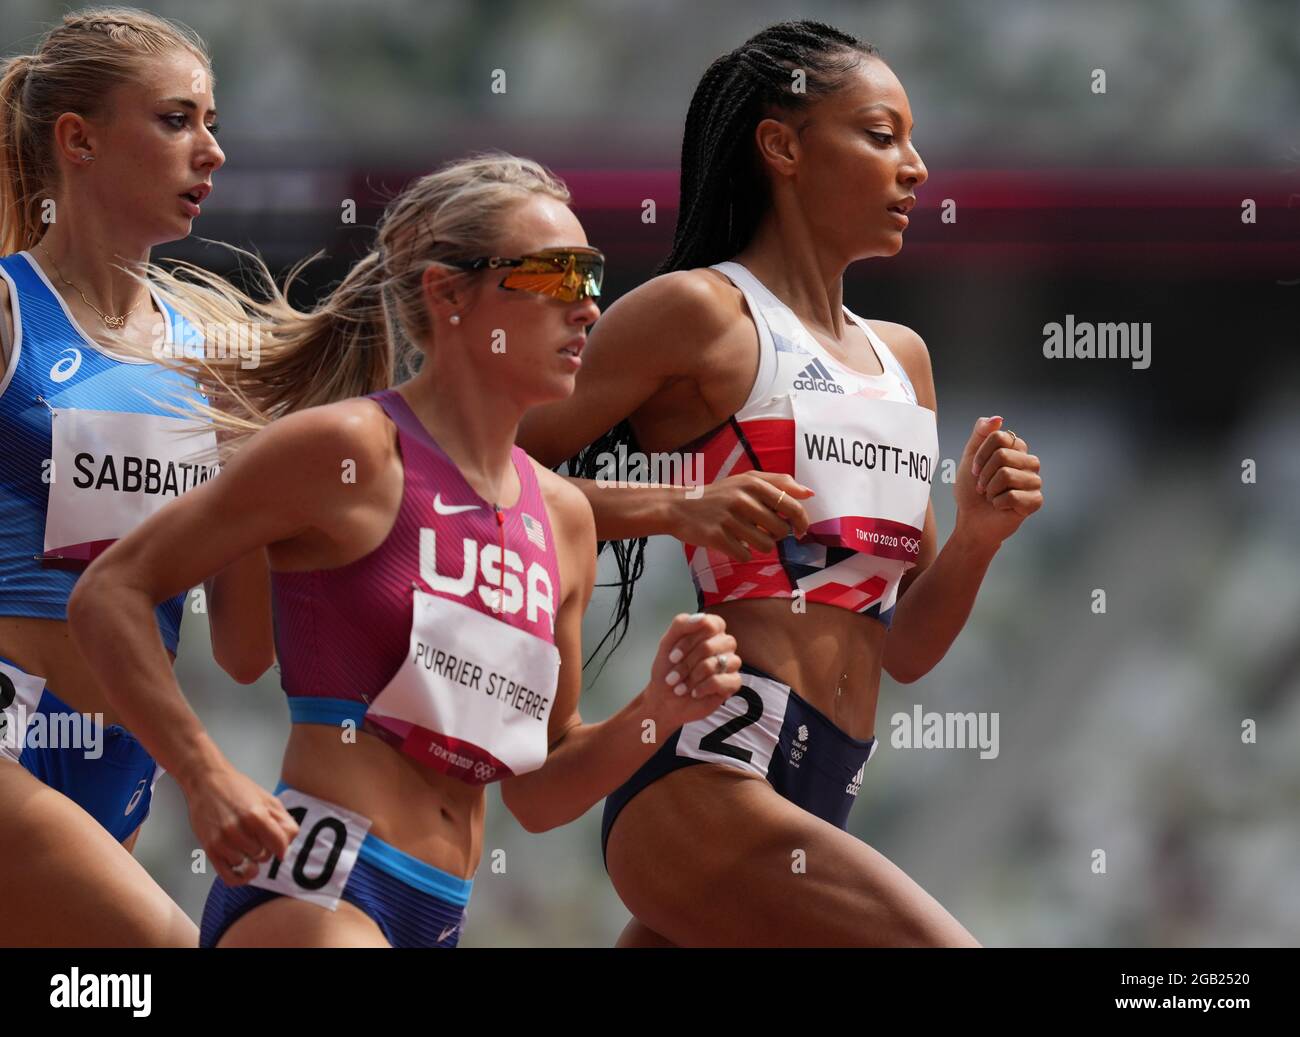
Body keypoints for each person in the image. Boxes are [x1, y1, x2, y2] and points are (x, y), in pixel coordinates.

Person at [68, 152, 744, 947]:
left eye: (591, 277)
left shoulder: (562, 517)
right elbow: (109, 592)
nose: (589, 308)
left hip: (440, 913)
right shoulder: (352, 450)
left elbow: (539, 791)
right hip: (317, 892)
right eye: (556, 277)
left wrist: (657, 711)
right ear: (448, 294)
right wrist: (205, 776)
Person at [516, 20, 1044, 946]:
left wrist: (976, 537)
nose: (916, 167)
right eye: (882, 136)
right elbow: (474, 470)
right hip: (709, 777)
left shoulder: (901, 360)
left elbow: (906, 646)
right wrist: (673, 508)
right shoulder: (701, 315)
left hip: (824, 788)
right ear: (782, 146)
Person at [0, 7, 272, 947]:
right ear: (77, 139)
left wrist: (283, 483)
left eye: (214, 123)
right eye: (176, 120)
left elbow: (243, 648)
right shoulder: (7, 312)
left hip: (123, 762)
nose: (212, 152)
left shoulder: (220, 357)